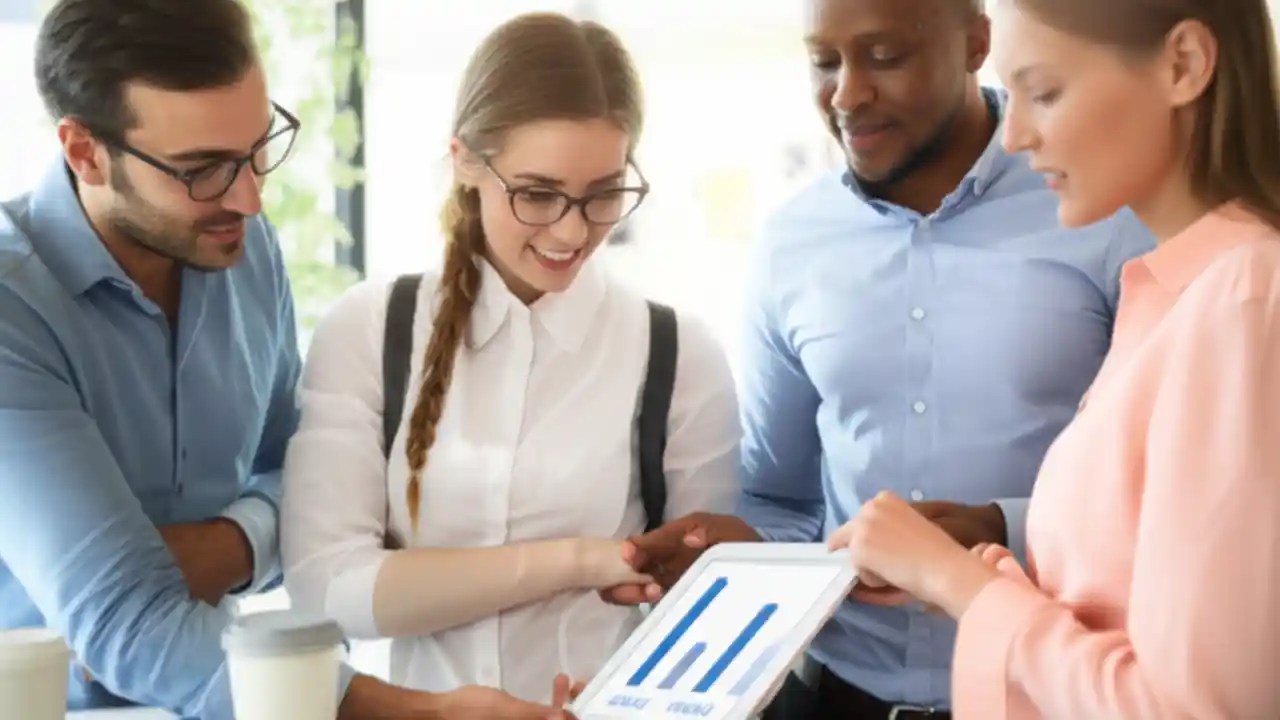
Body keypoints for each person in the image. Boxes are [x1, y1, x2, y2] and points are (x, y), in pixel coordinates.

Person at [0, 1, 574, 717]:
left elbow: (301, 476)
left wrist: (233, 543)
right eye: (203, 170)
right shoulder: (13, 308)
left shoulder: (240, 250)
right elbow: (125, 617)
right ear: (84, 151)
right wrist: (422, 711)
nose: (249, 197)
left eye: (257, 149)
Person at [607, 0, 1153, 717]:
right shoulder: (791, 244)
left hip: (1049, 693)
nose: (845, 93)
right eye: (823, 62)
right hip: (835, 697)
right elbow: (783, 497)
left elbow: (1163, 491)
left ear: (976, 44)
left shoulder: (1103, 216)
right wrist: (739, 548)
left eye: (885, 57)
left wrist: (1004, 525)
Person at [832, 0, 1280, 717]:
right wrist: (992, 580)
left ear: (1184, 64)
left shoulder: (1243, 302)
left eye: (1043, 93)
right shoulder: (1171, 294)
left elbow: (1192, 710)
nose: (1014, 137)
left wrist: (956, 583)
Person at [281, 11, 741, 707]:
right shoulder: (369, 330)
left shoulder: (679, 354)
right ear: (465, 161)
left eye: (605, 193)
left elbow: (709, 609)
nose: (573, 231)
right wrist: (580, 560)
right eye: (538, 193)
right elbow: (328, 590)